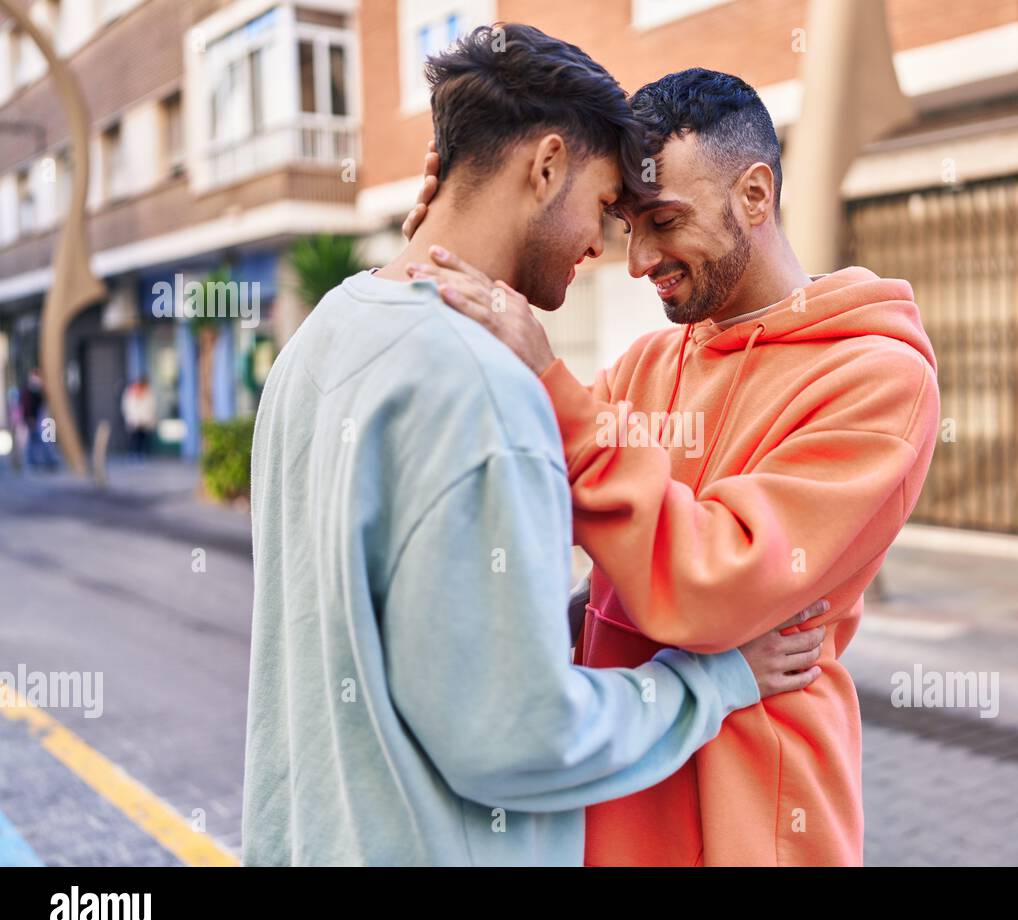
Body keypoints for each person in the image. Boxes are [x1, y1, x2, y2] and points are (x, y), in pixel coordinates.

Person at [241, 24, 825, 867]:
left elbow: (405, 627)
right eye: (601, 208)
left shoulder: (320, 338)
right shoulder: (485, 388)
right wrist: (717, 682)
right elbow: (518, 739)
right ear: (546, 165)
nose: (602, 250)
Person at [407, 68, 941, 866]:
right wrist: (451, 260)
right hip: (621, 789)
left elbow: (714, 585)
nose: (638, 259)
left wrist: (557, 391)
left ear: (755, 196)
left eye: (663, 220)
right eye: (625, 225)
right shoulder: (649, 362)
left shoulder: (879, 379)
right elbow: (513, 473)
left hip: (756, 817)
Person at [20, 368, 57, 471]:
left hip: (42, 419)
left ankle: (45, 461)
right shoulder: (29, 390)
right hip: (34, 419)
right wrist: (29, 418)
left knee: (43, 440)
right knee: (34, 441)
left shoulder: (39, 390)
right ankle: (34, 461)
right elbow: (27, 405)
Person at [120, 376, 156, 457]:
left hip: (145, 420)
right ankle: (134, 453)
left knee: (144, 437)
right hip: (134, 420)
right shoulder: (129, 395)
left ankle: (144, 453)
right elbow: (126, 408)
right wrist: (131, 419)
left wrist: (147, 419)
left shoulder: (148, 394)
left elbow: (150, 408)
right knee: (134, 438)